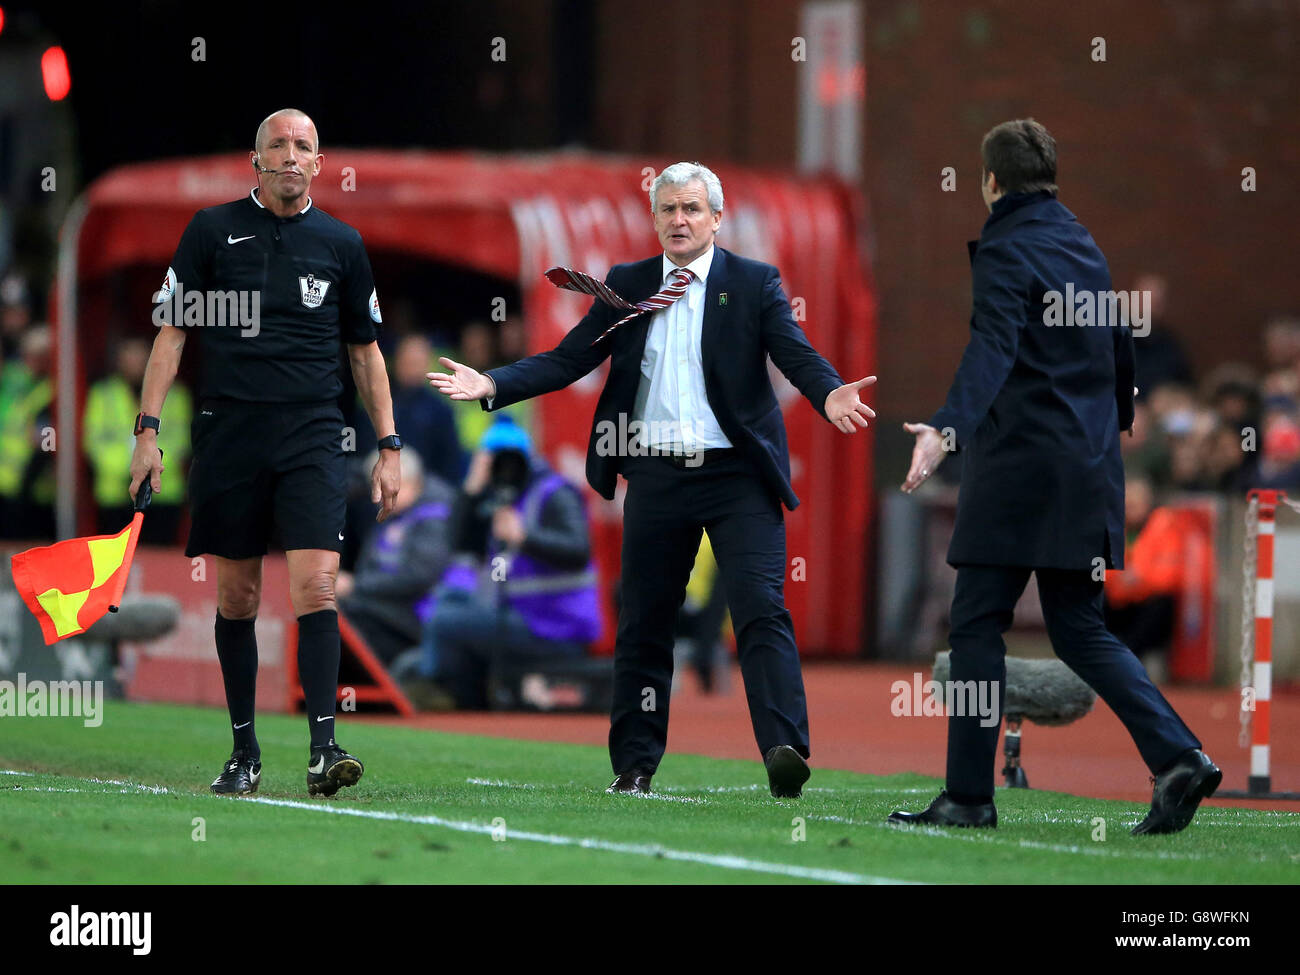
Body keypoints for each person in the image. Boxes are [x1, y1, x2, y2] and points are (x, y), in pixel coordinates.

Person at [429, 161, 875, 798]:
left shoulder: (752, 283)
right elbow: (570, 357)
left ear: (716, 220)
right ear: (655, 218)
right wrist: (494, 383)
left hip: (737, 476)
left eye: (692, 209)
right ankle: (634, 767)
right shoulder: (628, 284)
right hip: (657, 474)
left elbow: (794, 352)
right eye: (668, 209)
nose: (679, 220)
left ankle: (783, 748)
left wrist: (829, 393)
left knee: (759, 607)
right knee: (644, 622)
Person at [890, 119, 1219, 834]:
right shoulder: (1082, 241)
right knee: (1079, 627)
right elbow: (1118, 341)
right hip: (1089, 467)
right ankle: (1179, 755)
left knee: (976, 622)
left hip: (1018, 471)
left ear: (991, 181)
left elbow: (993, 349)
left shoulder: (1007, 248)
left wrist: (945, 429)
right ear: (1052, 177)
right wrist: (1115, 424)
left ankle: (969, 796)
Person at [129, 108, 401, 798]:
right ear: (256, 161)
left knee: (315, 584)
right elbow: (171, 332)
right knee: (239, 594)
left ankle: (322, 747)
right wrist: (148, 431)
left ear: (317, 161)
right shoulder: (210, 232)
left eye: (301, 146)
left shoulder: (342, 244)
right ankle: (245, 750)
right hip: (230, 431)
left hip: (313, 432)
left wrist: (389, 443)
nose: (289, 155)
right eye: (276, 145)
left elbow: (365, 353)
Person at [408, 417, 600, 710]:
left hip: (557, 624)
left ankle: (437, 688)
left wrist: (525, 537)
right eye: (494, 459)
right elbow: (457, 545)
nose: (504, 467)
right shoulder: (502, 496)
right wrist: (471, 489)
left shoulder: (555, 492)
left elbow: (579, 551)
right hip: (519, 615)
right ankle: (459, 692)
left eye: (509, 458)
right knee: (444, 600)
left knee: (444, 620)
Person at [336, 448, 456, 665]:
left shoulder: (435, 517)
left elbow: (419, 576)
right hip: (384, 609)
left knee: (341, 616)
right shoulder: (397, 511)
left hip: (414, 620)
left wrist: (355, 586)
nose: (376, 496)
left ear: (407, 482)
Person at [84, 337, 192, 542]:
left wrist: (148, 470)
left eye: (141, 358)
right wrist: (129, 470)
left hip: (162, 492)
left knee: (159, 560)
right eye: (129, 357)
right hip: (113, 493)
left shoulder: (177, 395)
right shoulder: (102, 394)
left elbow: (180, 442)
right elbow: (94, 442)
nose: (134, 363)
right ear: (118, 361)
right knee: (115, 562)